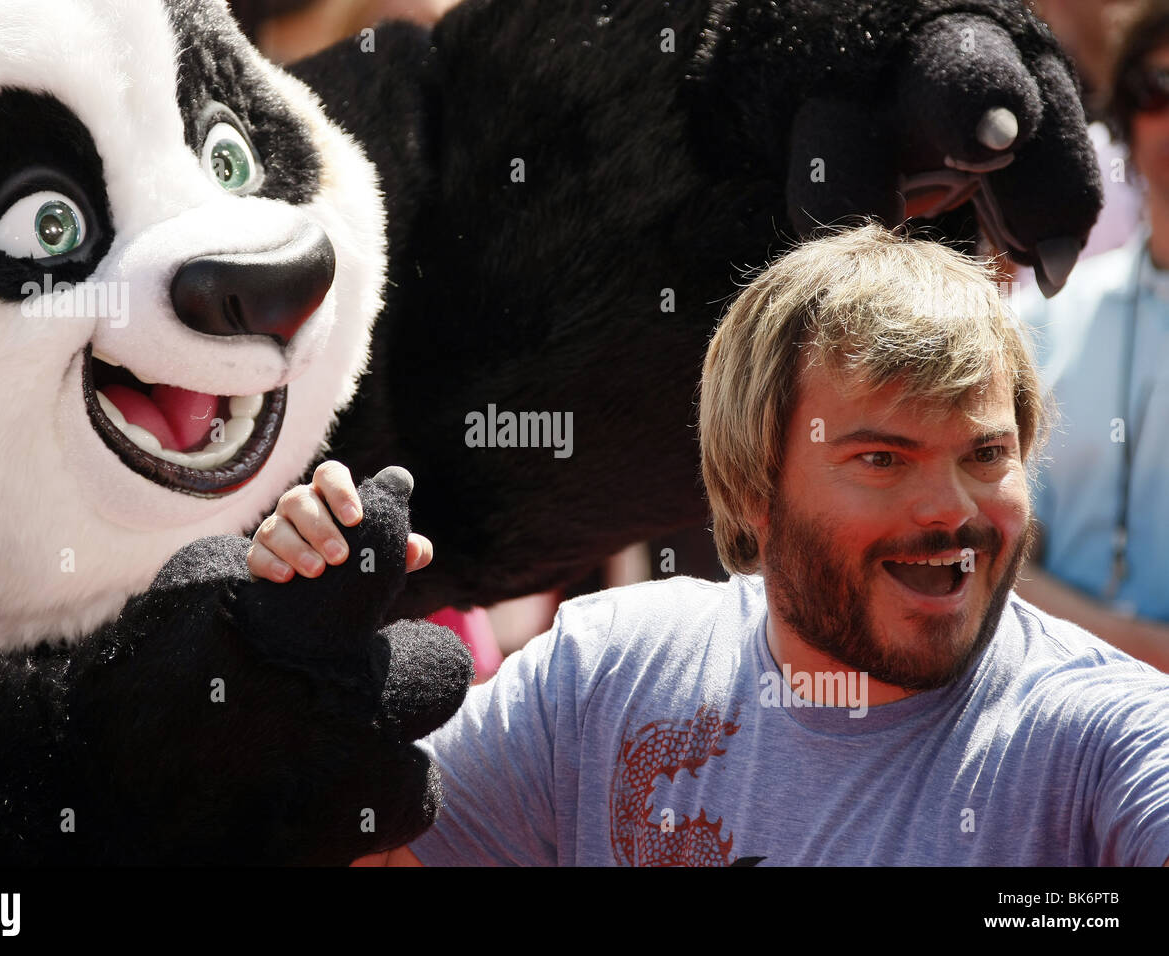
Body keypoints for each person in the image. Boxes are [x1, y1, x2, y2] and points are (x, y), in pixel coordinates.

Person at [249, 222, 1169, 866]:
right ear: (750, 490)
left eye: (986, 455)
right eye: (883, 458)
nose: (951, 508)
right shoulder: (606, 675)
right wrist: (294, 682)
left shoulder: (1100, 737)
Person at [1013, 0, 1169, 672]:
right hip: (1063, 715)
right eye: (1156, 89)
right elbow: (989, 558)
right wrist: (1140, 655)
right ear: (1124, 121)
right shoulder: (1040, 321)